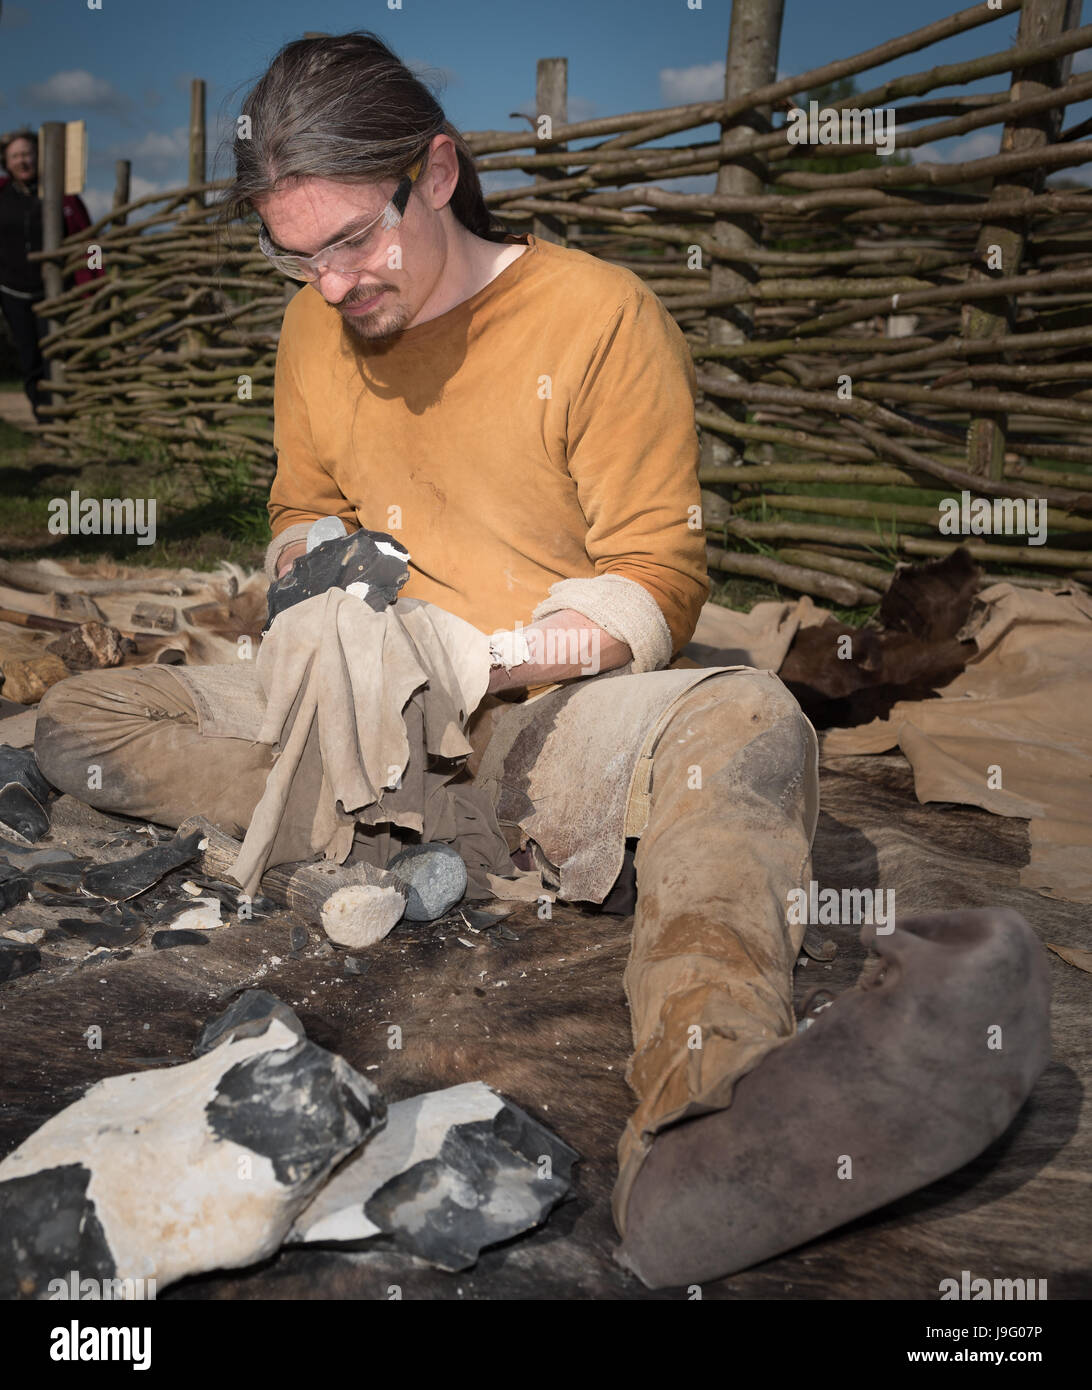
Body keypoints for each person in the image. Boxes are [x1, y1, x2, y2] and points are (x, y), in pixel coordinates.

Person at [34, 33, 1050, 1288]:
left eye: (354, 239)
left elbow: (661, 579)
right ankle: (396, 825)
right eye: (293, 255)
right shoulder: (314, 326)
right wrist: (321, 587)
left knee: (744, 724)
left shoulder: (597, 314)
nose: (331, 284)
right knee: (85, 719)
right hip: (346, 706)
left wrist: (488, 651)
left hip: (535, 710)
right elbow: (300, 500)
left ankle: (711, 1119)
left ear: (438, 171)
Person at [0, 127, 101, 422]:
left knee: (57, 355)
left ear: (40, 157)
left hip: (55, 293)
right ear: (6, 161)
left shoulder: (64, 198)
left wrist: (94, 283)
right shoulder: (2, 196)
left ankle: (66, 417)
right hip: (12, 292)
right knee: (29, 358)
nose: (23, 161)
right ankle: (44, 419)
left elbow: (90, 242)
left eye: (28, 154)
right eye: (16, 156)